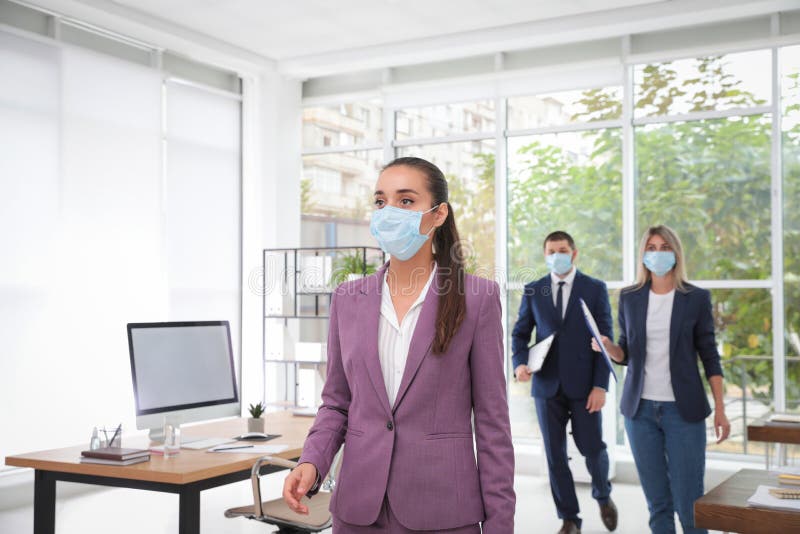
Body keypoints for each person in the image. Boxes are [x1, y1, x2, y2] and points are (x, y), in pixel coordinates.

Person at [282, 156, 515, 533]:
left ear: (438, 215)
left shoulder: (477, 298)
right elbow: (337, 403)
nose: (389, 211)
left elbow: (492, 425)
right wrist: (312, 461)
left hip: (443, 509)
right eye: (380, 201)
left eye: (406, 201)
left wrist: (501, 525)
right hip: (358, 508)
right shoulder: (348, 297)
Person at [593, 225, 730, 534]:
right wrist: (608, 347)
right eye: (651, 247)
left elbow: (710, 355)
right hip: (639, 412)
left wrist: (720, 408)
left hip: (683, 413)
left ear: (675, 253)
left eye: (664, 246)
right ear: (643, 255)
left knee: (690, 505)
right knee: (658, 506)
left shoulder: (695, 298)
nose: (657, 253)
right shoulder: (629, 297)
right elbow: (626, 352)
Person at [511, 231, 617, 534]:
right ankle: (569, 518)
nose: (556, 255)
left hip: (585, 387)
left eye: (562, 250)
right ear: (545, 255)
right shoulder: (534, 290)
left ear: (574, 253)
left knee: (593, 448)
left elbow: (604, 338)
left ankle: (603, 494)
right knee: (555, 455)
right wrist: (519, 362)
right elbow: (520, 333)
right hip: (546, 386)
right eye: (551, 251)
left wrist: (601, 386)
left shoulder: (594, 289)